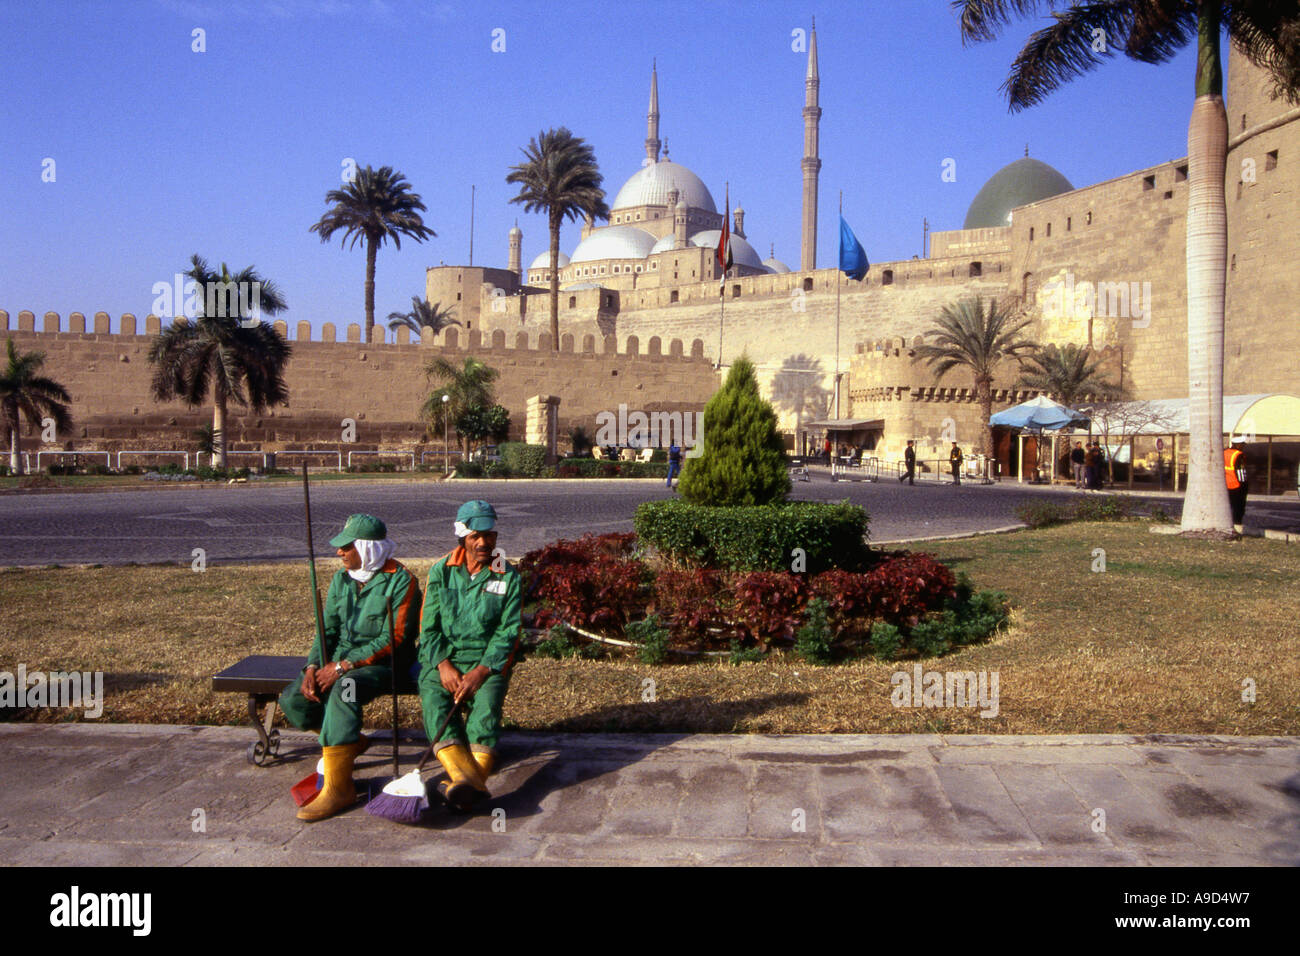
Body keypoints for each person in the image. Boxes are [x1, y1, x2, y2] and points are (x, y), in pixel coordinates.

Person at [278, 514, 421, 822]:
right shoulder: (341, 580)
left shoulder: (402, 581)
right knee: (293, 700)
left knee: (344, 690)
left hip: (383, 665)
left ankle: (338, 788)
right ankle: (351, 741)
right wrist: (313, 666)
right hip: (338, 661)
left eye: (346, 547)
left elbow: (394, 638)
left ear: (366, 548)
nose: (339, 553)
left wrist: (342, 668)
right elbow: (326, 630)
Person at [418, 500, 523, 810]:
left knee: (486, 708)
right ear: (462, 537)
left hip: (486, 662)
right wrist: (443, 666)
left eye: (489, 535)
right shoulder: (441, 571)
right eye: (476, 535)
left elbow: (508, 632)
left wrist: (482, 670)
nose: (483, 543)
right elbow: (429, 628)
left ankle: (462, 784)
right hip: (444, 659)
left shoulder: (506, 575)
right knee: (434, 702)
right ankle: (469, 781)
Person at [1225, 440, 1249, 530]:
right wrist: (1244, 484)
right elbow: (1241, 471)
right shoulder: (1239, 455)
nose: (1243, 447)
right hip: (1236, 484)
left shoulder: (1224, 452)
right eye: (1242, 445)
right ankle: (1237, 525)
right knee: (1238, 506)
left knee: (1229, 505)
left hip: (1225, 484)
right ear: (1238, 445)